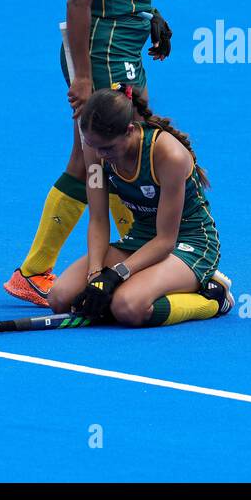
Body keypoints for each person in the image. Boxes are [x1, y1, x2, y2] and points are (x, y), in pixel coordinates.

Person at [5, 0, 174, 303]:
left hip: (117, 49)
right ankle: (37, 271)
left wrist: (152, 18)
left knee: (112, 156)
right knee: (108, 156)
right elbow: (79, 1)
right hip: (101, 58)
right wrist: (82, 77)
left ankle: (114, 260)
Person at [48, 85, 231, 328]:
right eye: (95, 147)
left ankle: (212, 299)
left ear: (130, 131)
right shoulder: (94, 150)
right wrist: (95, 276)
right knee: (60, 297)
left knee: (128, 307)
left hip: (188, 243)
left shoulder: (168, 155)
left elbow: (166, 240)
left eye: (108, 148)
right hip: (141, 240)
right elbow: (99, 220)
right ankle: (143, 286)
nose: (101, 155)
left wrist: (116, 274)